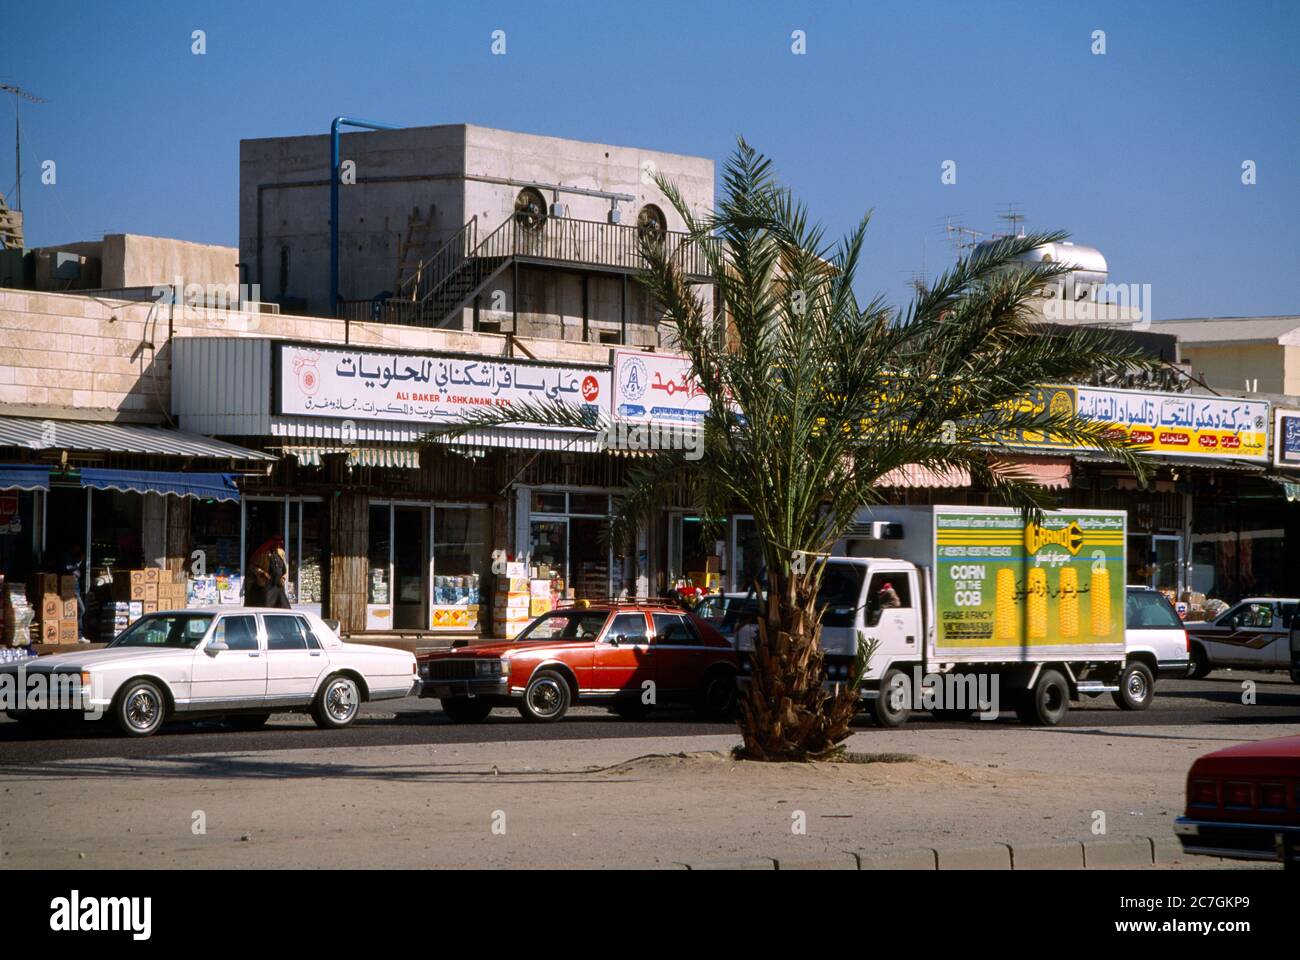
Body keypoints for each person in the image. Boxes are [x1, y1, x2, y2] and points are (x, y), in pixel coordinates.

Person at [247, 536, 292, 609]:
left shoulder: (281, 553)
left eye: (278, 545)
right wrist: (262, 573)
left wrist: (284, 577)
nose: (277, 546)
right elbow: (253, 566)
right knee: (267, 607)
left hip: (279, 586)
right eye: (276, 545)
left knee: (285, 607)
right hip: (268, 585)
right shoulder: (263, 554)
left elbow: (285, 568)